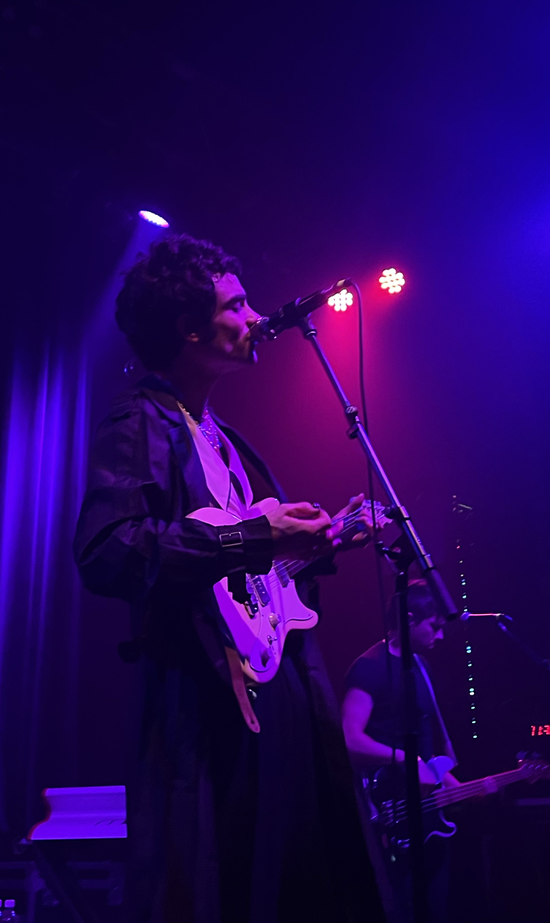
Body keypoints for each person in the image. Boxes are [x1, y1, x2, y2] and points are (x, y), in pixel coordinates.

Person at [73, 234, 386, 923]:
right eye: (236, 305)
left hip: (275, 687)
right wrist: (255, 536)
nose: (256, 317)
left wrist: (317, 542)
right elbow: (108, 550)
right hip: (205, 702)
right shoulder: (139, 422)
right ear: (190, 329)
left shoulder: (223, 438)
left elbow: (239, 586)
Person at [342, 581, 473, 923]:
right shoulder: (369, 667)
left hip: (426, 819)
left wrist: (457, 786)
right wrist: (405, 758)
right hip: (387, 813)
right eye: (434, 626)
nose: (440, 636)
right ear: (409, 619)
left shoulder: (422, 667)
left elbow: (428, 749)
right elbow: (350, 739)